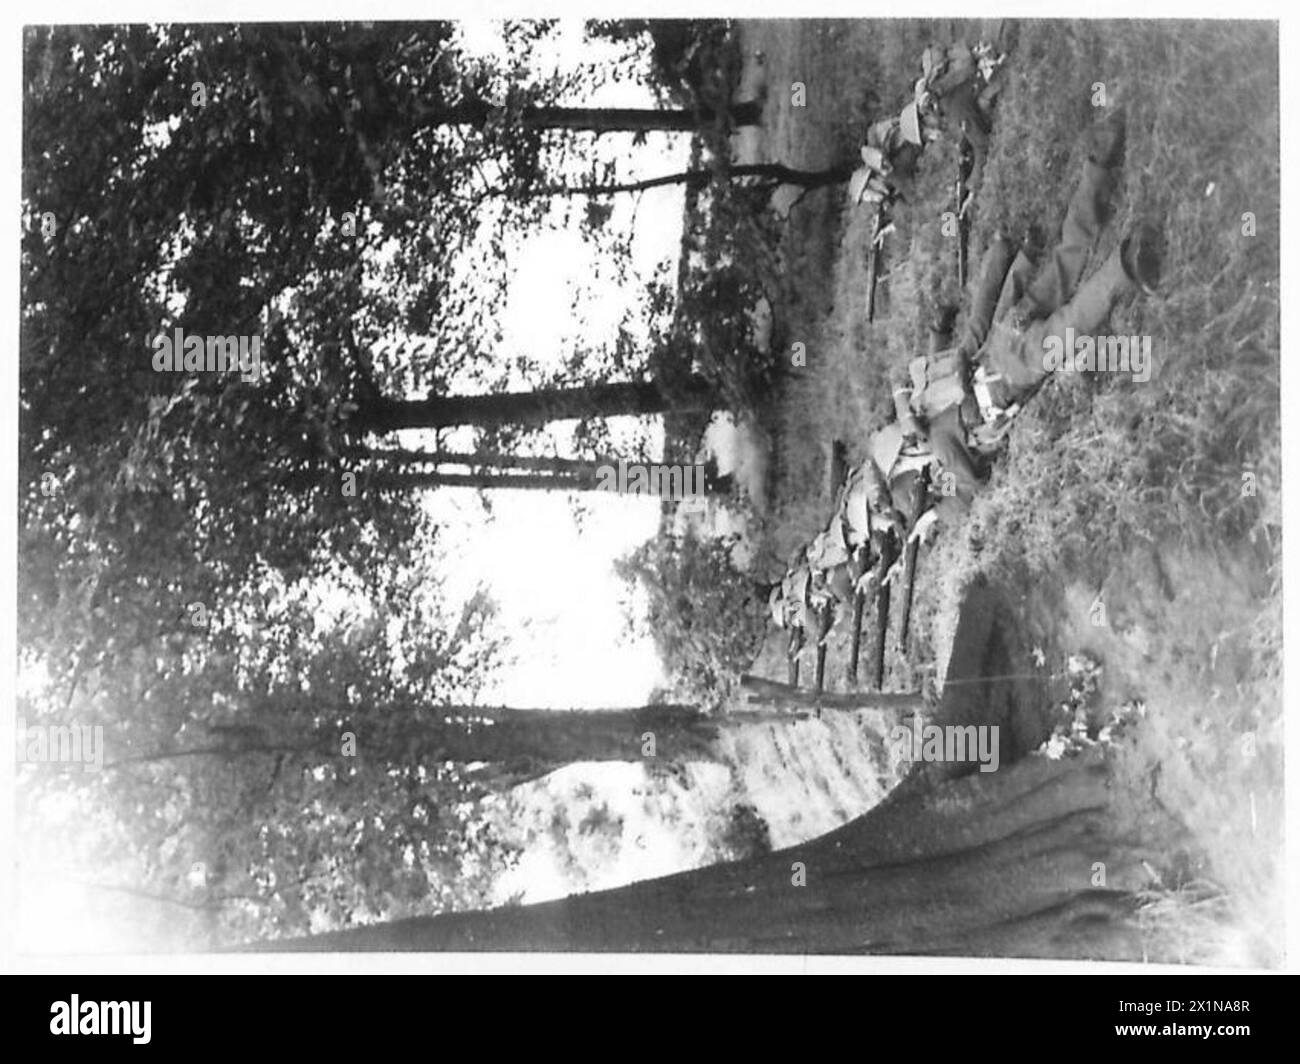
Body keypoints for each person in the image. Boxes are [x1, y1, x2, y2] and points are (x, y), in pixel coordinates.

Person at [890, 107, 1163, 517]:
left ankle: (1128, 261)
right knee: (1066, 258)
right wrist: (1007, 259)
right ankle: (1100, 162)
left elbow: (974, 491)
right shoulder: (939, 383)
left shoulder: (940, 443)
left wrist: (940, 506)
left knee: (1073, 324)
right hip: (1007, 332)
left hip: (1014, 371)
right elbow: (976, 324)